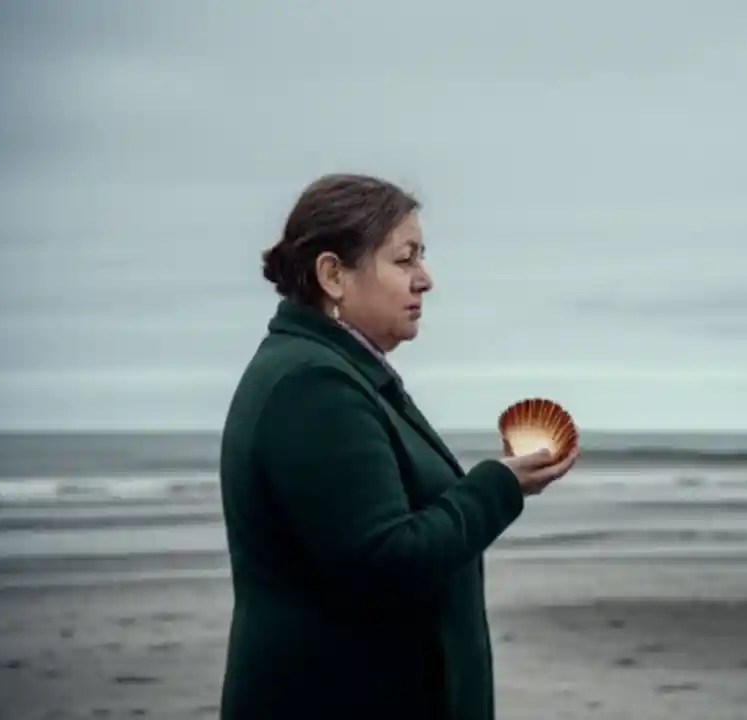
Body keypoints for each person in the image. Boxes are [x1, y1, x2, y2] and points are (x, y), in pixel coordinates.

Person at [217, 173, 580, 719]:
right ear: (333, 275)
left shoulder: (336, 371)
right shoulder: (313, 386)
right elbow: (385, 559)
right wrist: (498, 486)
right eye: (405, 259)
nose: (425, 279)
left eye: (422, 257)